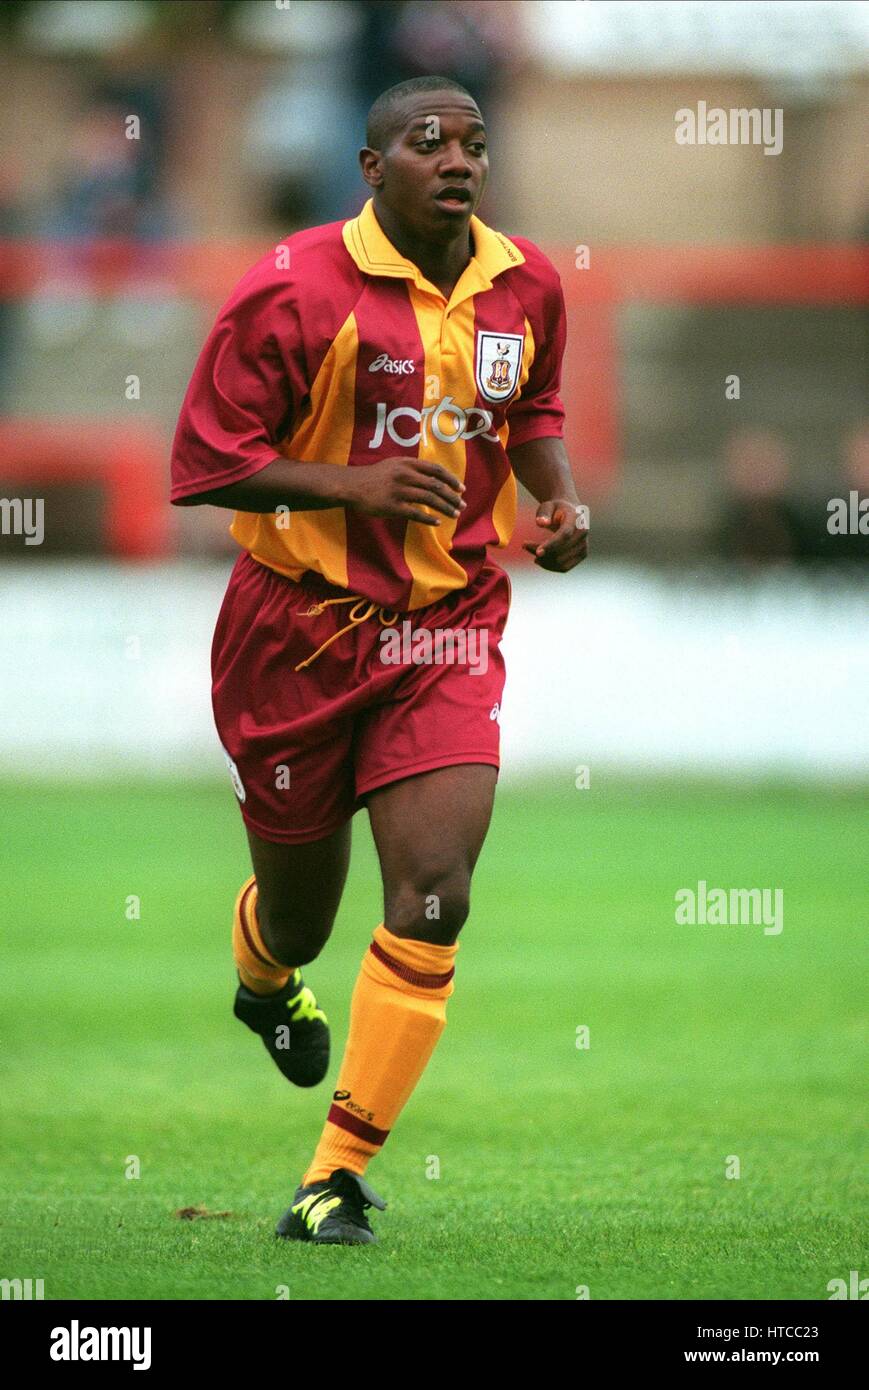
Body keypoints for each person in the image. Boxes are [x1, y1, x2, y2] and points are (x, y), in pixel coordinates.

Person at [170, 75, 588, 1245]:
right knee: (300, 919)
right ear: (370, 167)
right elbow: (207, 461)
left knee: (434, 893)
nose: (457, 160)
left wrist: (556, 503)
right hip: (292, 632)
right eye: (426, 142)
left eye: (472, 143)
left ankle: (333, 1176)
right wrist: (352, 487)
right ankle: (265, 979)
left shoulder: (526, 283)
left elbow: (529, 410)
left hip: (445, 628)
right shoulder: (292, 285)